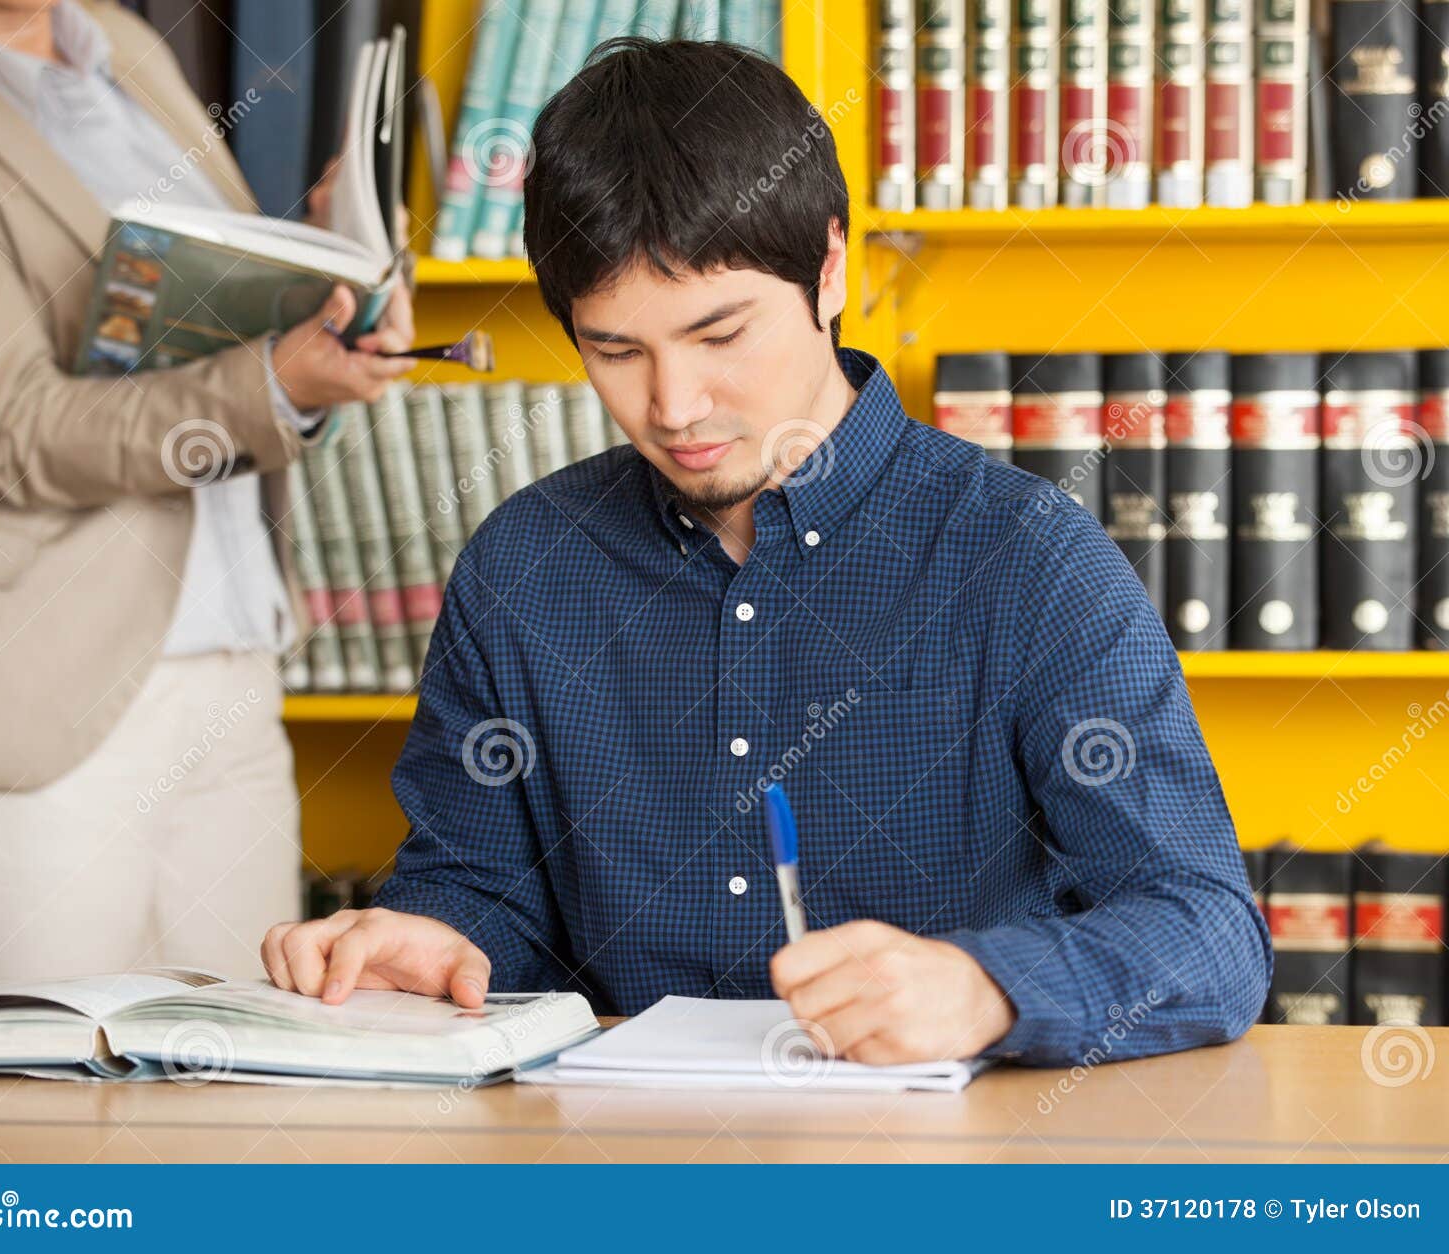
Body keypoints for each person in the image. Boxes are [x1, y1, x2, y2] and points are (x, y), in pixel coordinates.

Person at [262, 37, 1273, 1067]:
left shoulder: (1023, 557)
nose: (674, 407)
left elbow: (1207, 932)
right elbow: (479, 891)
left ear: (828, 269)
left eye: (720, 334)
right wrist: (434, 940)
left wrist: (988, 991)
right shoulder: (525, 566)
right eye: (615, 351)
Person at [0, 0, 416, 986]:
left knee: (239, 1104)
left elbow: (192, 305)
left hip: (230, 670)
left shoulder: (124, 48)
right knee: (26, 1118)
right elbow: (10, 425)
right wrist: (278, 384)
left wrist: (324, 258)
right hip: (26, 699)